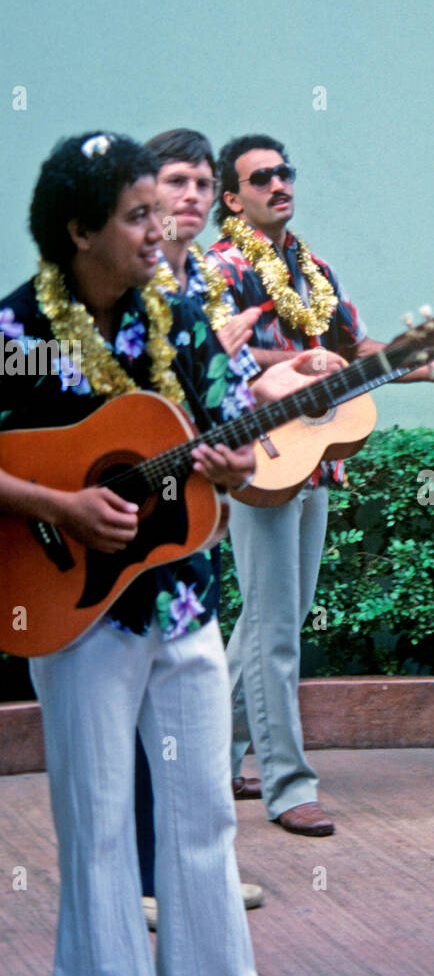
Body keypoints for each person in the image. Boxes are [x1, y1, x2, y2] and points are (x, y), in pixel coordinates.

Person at [0, 132, 319, 976]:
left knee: (201, 815)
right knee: (97, 822)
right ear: (78, 229)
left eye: (159, 210)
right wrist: (58, 507)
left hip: (180, 594)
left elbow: (232, 446)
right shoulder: (20, 329)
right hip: (74, 607)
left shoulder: (182, 314)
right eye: (137, 215)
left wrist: (232, 465)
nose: (159, 227)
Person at [205, 134, 434, 837]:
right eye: (261, 178)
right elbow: (212, 348)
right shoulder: (220, 268)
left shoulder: (315, 270)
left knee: (275, 615)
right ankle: (287, 784)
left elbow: (352, 351)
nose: (279, 185)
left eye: (285, 173)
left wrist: (418, 362)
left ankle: (210, 753)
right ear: (233, 198)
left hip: (316, 453)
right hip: (257, 454)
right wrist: (299, 359)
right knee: (275, 625)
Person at [131, 128, 267, 931]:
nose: (190, 196)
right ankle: (147, 879)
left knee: (191, 714)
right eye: (174, 181)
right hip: (120, 540)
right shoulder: (117, 293)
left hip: (188, 534)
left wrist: (239, 454)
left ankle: (200, 874)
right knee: (133, 718)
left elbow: (234, 415)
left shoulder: (208, 292)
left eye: (201, 183)